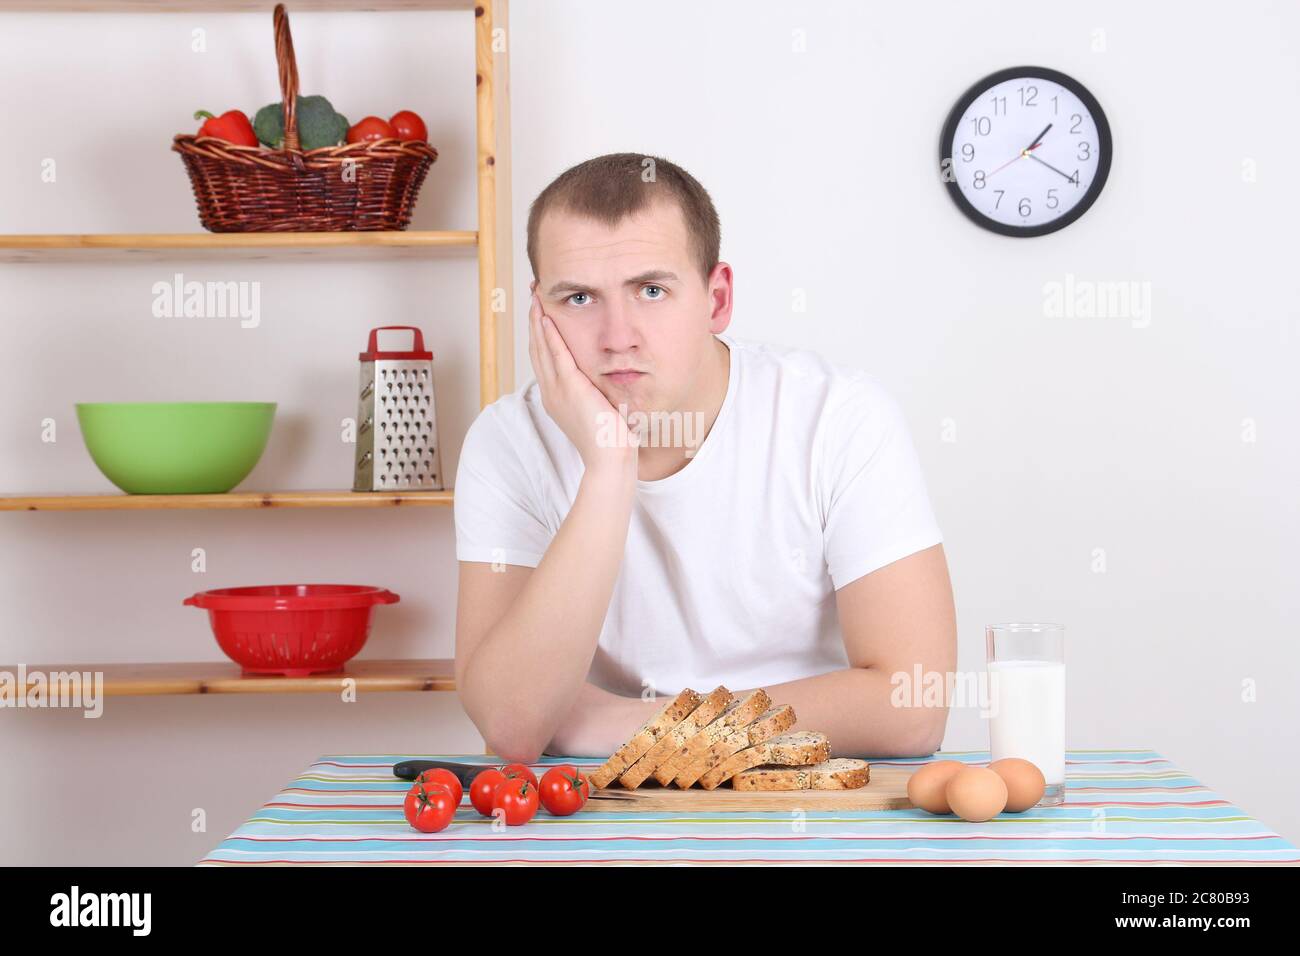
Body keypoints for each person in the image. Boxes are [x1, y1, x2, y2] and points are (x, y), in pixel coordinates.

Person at [453, 152, 956, 762]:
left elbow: (911, 711)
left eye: (651, 290)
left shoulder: (838, 415)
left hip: (804, 792)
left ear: (717, 299)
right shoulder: (507, 441)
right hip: (603, 810)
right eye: (579, 299)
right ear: (539, 312)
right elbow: (511, 725)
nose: (617, 337)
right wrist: (610, 467)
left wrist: (629, 725)